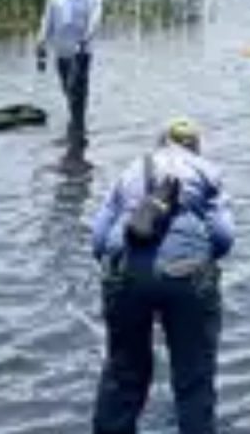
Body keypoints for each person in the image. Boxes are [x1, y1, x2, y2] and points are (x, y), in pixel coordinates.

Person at [90, 118, 234, 434]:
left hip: (124, 271)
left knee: (123, 374)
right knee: (194, 378)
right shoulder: (206, 172)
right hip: (188, 274)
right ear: (197, 146)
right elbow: (224, 238)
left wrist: (137, 272)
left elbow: (99, 240)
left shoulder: (129, 171)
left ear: (160, 142)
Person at [38, 0, 103, 143]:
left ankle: (78, 127)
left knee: (78, 90)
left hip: (82, 51)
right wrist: (41, 40)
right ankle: (76, 125)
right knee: (67, 89)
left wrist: (85, 38)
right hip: (61, 51)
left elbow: (95, 20)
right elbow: (47, 19)